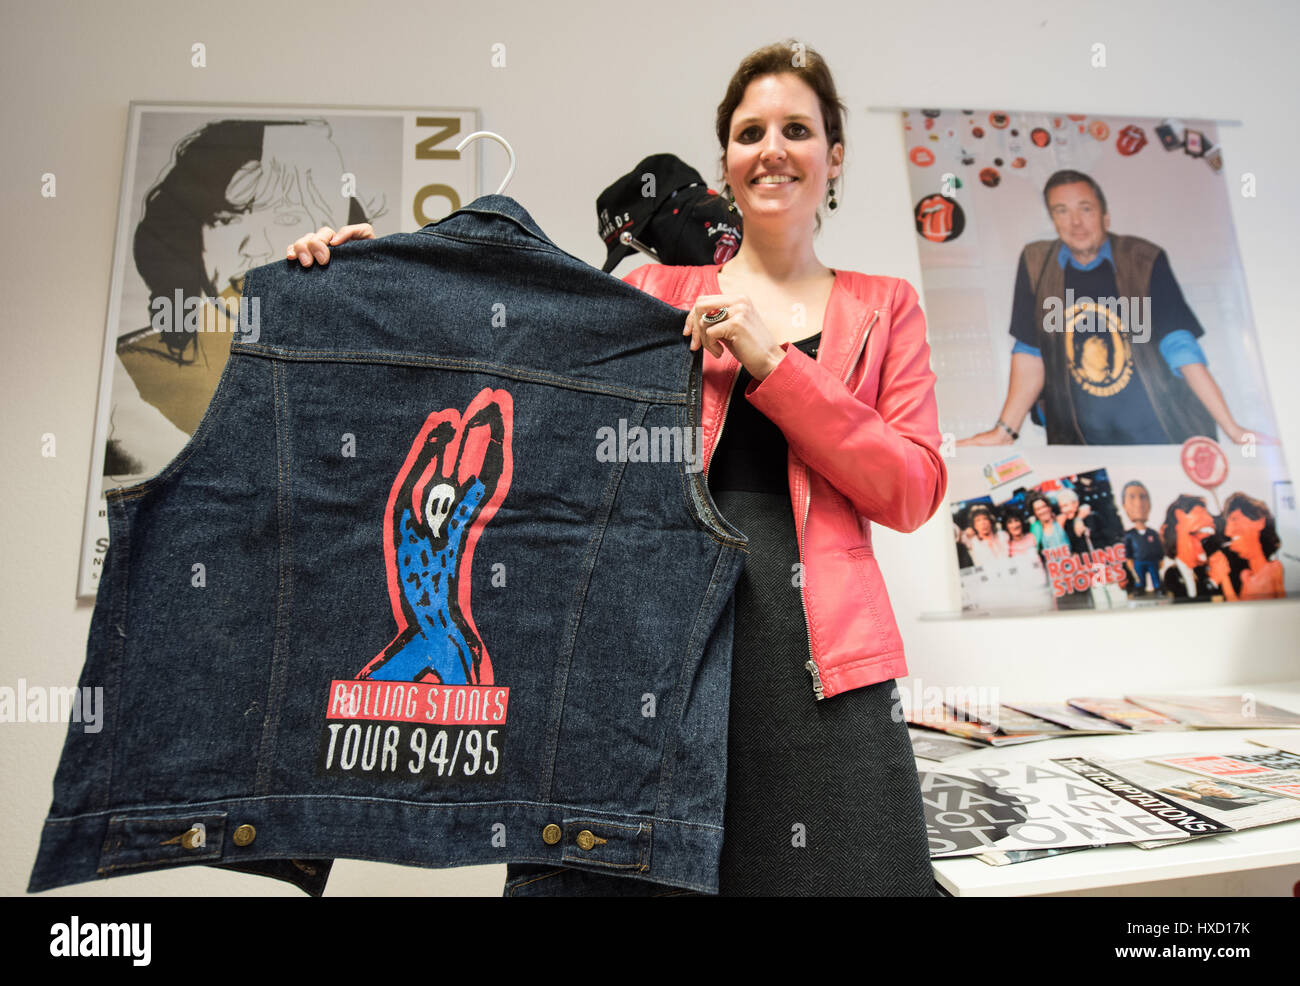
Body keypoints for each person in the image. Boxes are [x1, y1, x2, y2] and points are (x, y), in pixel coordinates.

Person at [284, 41, 946, 897]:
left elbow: (910, 488)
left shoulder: (885, 305)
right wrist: (384, 280)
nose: (772, 150)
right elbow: (522, 359)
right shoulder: (657, 289)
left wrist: (774, 363)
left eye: (797, 129)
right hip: (647, 637)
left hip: (816, 653)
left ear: (835, 155)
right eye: (750, 133)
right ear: (725, 160)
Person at [959, 169, 1268, 447]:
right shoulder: (1036, 264)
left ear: (1105, 216)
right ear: (1053, 220)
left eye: (1086, 209)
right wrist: (1004, 432)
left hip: (1163, 436)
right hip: (1082, 445)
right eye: (1062, 211)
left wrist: (1233, 430)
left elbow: (1180, 346)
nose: (1075, 222)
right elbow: (1030, 352)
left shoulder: (1144, 260)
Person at [1214, 491, 1285, 600]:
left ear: (1260, 522)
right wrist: (1223, 575)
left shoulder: (1275, 568)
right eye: (1227, 523)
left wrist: (1223, 577)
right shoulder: (1245, 576)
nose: (1228, 532)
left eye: (1234, 519)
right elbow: (1239, 607)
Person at [1120, 480, 1162, 592]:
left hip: (1152, 561)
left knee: (1155, 576)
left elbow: (1158, 548)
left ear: (1149, 504)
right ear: (1124, 505)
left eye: (1143, 497)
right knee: (1139, 578)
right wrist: (1129, 560)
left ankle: (1158, 587)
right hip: (1138, 561)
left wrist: (1160, 558)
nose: (1138, 504)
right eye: (1132, 497)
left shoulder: (1153, 533)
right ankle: (1140, 588)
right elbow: (1127, 550)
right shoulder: (1129, 535)